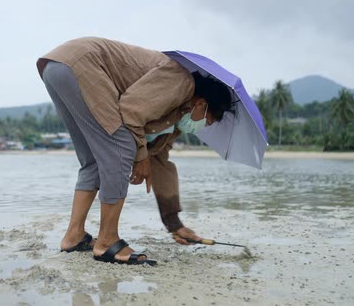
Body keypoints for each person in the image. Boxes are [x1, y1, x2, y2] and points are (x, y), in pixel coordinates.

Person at [36, 37, 234, 265]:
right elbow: (130, 111)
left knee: (94, 159)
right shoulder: (182, 82)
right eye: (208, 121)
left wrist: (174, 224)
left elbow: (159, 162)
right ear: (201, 104)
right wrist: (140, 156)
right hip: (81, 64)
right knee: (121, 146)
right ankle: (107, 241)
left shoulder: (173, 121)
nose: (202, 127)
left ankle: (74, 236)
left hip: (57, 66)